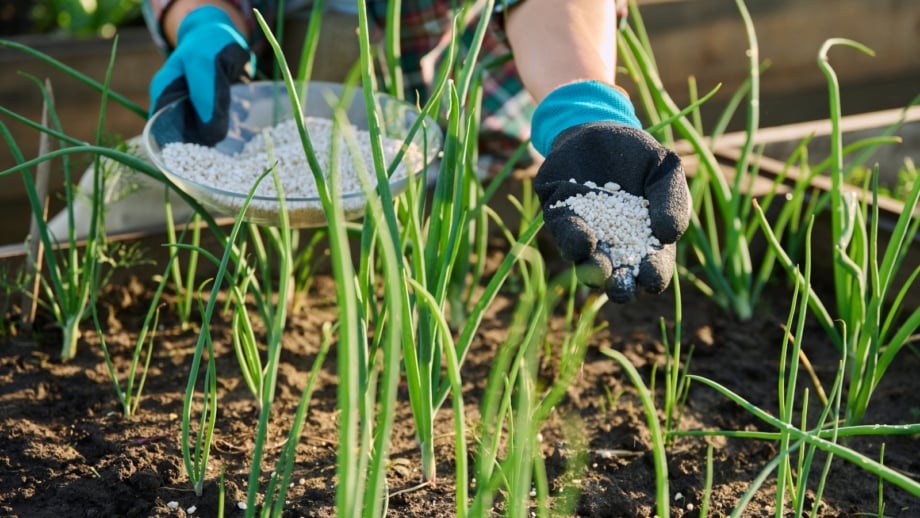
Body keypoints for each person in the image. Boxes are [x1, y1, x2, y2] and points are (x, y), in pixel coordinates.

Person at [53, 0, 691, 303]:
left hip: (454, 111)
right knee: (88, 235)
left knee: (493, 255)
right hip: (255, 115)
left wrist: (581, 109)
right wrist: (200, 18)